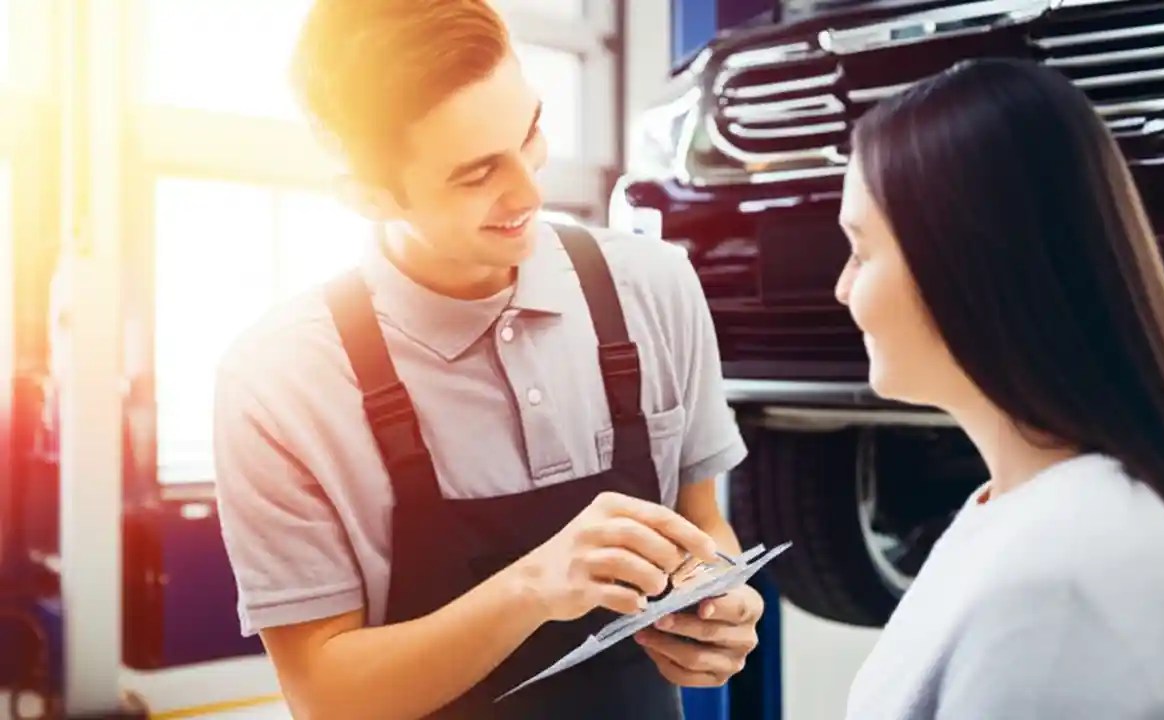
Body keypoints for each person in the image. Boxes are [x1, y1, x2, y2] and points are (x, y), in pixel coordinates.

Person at [210, 2, 761, 718]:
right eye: (476, 175)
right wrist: (532, 587)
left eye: (530, 132)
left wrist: (715, 602)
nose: (533, 191)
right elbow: (325, 696)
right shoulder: (278, 382)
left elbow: (701, 521)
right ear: (369, 196)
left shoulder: (653, 286)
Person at [835, 58, 1164, 719]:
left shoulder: (1066, 574)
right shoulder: (1028, 517)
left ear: (965, 258)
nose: (842, 288)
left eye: (862, 252)